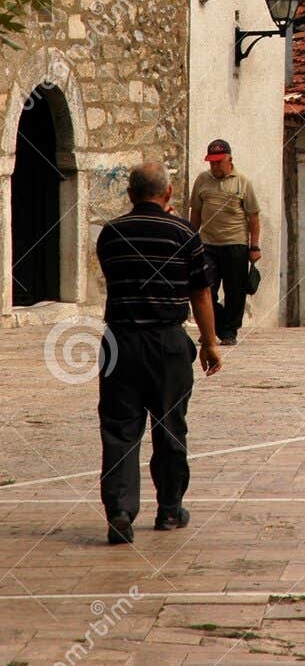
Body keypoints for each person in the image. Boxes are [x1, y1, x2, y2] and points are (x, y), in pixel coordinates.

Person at [95, 161, 222, 545]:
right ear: (167, 193)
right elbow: (201, 292)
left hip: (120, 342)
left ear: (129, 194)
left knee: (120, 430)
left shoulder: (111, 233)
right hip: (167, 342)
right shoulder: (184, 233)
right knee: (170, 427)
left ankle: (120, 511)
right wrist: (209, 342)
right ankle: (169, 509)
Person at [189, 138, 262, 346]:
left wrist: (254, 246)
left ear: (229, 159)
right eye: (211, 162)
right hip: (207, 244)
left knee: (235, 291)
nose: (214, 166)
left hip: (235, 243)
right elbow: (196, 213)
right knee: (205, 289)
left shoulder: (242, 181)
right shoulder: (202, 180)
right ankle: (212, 327)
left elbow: (253, 217)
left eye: (218, 162)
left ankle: (229, 331)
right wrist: (191, 240)